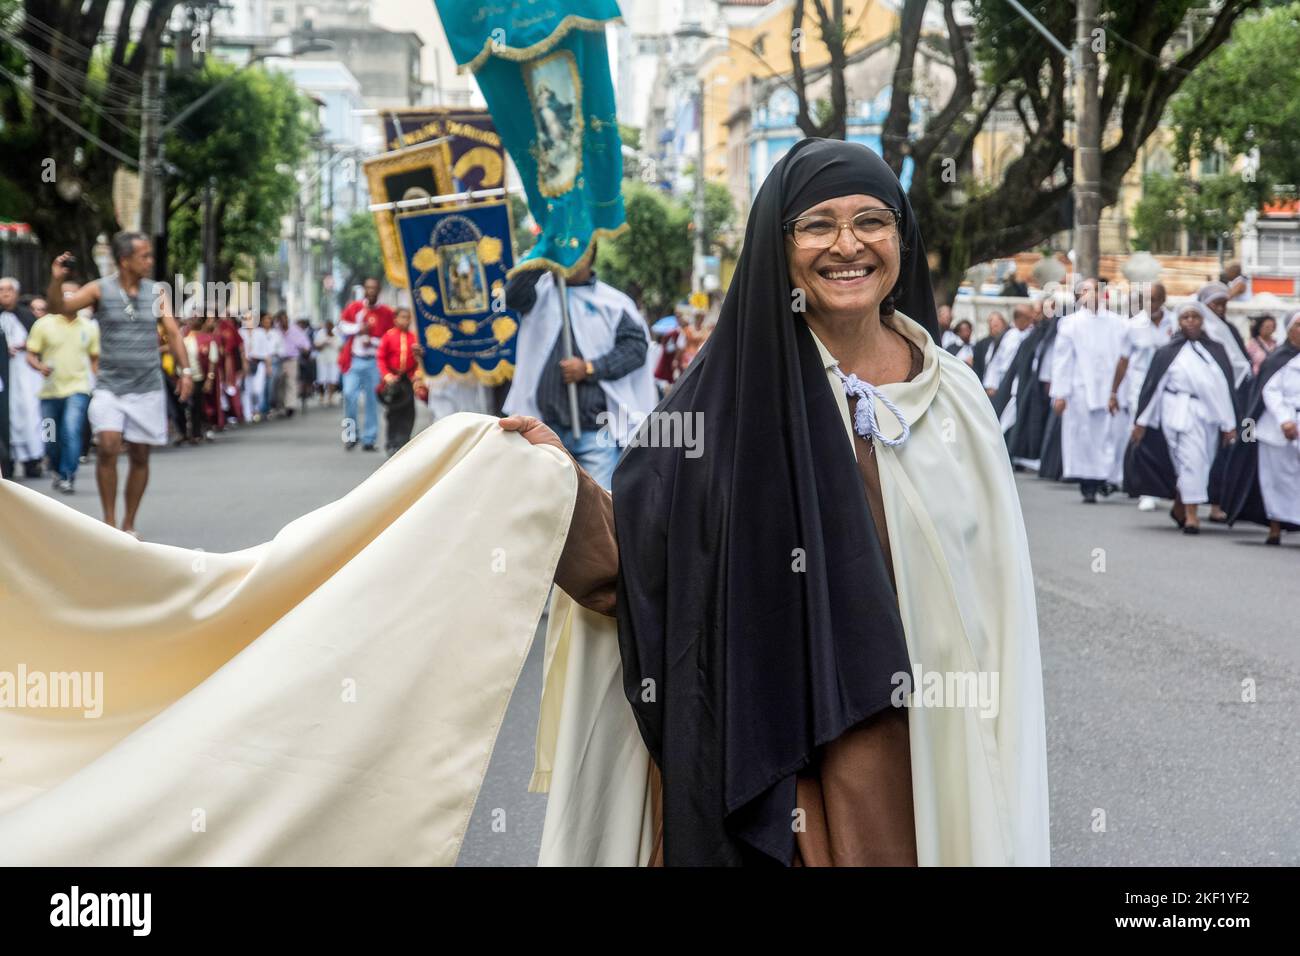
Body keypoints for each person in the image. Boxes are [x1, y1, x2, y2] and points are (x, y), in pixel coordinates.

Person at [502, 138, 1048, 866]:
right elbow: (642, 562)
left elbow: (994, 605)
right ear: (779, 246)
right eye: (818, 224)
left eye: (871, 222)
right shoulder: (721, 399)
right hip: (779, 761)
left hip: (933, 747)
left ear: (902, 239)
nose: (847, 245)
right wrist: (558, 486)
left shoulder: (956, 397)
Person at [45, 233, 193, 537]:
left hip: (147, 386)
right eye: (144, 256)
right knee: (109, 445)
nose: (150, 261)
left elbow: (174, 333)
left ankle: (129, 523)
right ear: (125, 260)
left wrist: (187, 371)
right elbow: (60, 308)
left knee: (140, 455)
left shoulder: (156, 292)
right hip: (110, 386)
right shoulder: (99, 289)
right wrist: (57, 281)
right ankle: (110, 522)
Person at [502, 251, 657, 491]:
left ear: (589, 255)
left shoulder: (613, 303)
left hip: (595, 433)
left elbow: (636, 348)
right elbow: (512, 295)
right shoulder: (536, 296)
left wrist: (589, 368)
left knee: (597, 507)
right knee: (546, 506)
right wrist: (545, 248)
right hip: (544, 429)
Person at [1124, 304, 1238, 534]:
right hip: (1176, 411)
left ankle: (1180, 504)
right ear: (1179, 321)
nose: (1191, 321)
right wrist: (1141, 422)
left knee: (1200, 464)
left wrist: (1229, 424)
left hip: (1207, 415)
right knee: (1190, 460)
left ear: (1202, 320)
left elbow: (1222, 390)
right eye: (1185, 317)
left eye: (1195, 316)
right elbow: (1154, 389)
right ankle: (1192, 516)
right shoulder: (1167, 352)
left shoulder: (1215, 351)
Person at [1220, 312, 1300, 545]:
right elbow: (1268, 392)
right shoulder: (1276, 359)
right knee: (1274, 479)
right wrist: (1285, 419)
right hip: (1275, 428)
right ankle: (1275, 525)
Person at [1050, 278, 1128, 503]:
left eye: (1092, 290)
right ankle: (1088, 483)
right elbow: (1062, 359)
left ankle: (1108, 479)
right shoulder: (1070, 323)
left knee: (1110, 435)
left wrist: (1120, 390)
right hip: (1081, 389)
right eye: (1083, 291)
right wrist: (1060, 393)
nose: (1088, 295)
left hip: (1111, 389)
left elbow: (1125, 358)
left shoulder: (1118, 323)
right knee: (1085, 437)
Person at [24, 280, 100, 492]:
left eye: (73, 294)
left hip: (78, 389)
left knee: (71, 430)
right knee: (50, 438)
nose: (68, 298)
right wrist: (39, 366)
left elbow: (95, 359)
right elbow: (30, 355)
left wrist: (101, 385)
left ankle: (68, 474)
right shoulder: (43, 324)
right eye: (64, 294)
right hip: (49, 392)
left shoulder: (88, 327)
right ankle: (57, 469)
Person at [1108, 281, 1175, 511]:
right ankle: (1146, 489)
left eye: (1154, 299)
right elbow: (1123, 361)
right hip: (1141, 390)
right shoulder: (1133, 326)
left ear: (1163, 300)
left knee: (1169, 435)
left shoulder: (1175, 323)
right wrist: (1114, 392)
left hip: (1170, 390)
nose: (1150, 304)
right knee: (1141, 435)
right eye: (1146, 299)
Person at [338, 279, 393, 452]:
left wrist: (374, 342)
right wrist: (358, 329)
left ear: (379, 290)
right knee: (348, 396)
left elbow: (389, 339)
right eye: (368, 288)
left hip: (374, 361)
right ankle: (350, 435)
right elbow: (342, 326)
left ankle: (369, 438)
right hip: (354, 360)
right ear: (364, 290)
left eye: (374, 288)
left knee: (372, 401)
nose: (371, 291)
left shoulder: (386, 312)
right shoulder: (354, 308)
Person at [0, 277, 45, 477]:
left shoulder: (27, 316)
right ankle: (6, 463)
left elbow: (40, 343)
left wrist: (25, 346)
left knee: (29, 413)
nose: (5, 293)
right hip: (3, 375)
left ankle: (32, 460)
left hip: (25, 374)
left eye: (9, 289)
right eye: (1, 290)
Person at [377, 307, 422, 455]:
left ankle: (403, 442)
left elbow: (418, 360)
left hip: (407, 379)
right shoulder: (388, 336)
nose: (405, 320)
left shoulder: (414, 337)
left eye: (408, 317)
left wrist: (417, 374)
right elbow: (381, 358)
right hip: (393, 380)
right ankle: (392, 442)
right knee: (393, 413)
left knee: (409, 412)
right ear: (395, 319)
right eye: (402, 317)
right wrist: (387, 376)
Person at [1195, 282, 1251, 389]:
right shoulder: (1197, 330)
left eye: (1224, 304)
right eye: (1216, 304)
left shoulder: (1230, 329)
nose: (1220, 309)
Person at [277, 315, 312, 417]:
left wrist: (304, 348)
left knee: (291, 382)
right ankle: (281, 406)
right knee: (280, 384)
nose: (284, 323)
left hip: (292, 360)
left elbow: (306, 344)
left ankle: (290, 406)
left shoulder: (295, 330)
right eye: (281, 321)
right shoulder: (276, 331)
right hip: (278, 360)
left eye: (285, 320)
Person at [970, 311, 1006, 383]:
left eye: (997, 324)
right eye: (992, 323)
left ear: (1003, 324)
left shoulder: (1008, 341)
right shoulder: (980, 344)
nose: (995, 326)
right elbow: (977, 367)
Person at [314, 320, 341, 404]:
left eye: (330, 326)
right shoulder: (320, 333)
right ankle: (322, 395)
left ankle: (330, 396)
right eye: (327, 326)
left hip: (333, 359)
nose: (329, 327)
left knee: (333, 378)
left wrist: (332, 342)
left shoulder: (337, 333)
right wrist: (324, 343)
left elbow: (340, 347)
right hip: (322, 359)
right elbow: (316, 346)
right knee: (321, 378)